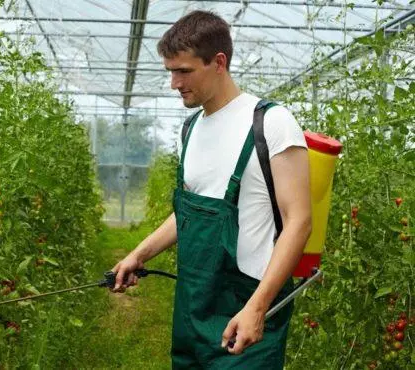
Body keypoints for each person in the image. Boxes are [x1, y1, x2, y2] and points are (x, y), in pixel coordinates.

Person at [110, 10, 312, 369]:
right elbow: (189, 213)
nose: (174, 82)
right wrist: (138, 255)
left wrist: (257, 308)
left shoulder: (270, 123)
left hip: (247, 306)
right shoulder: (191, 129)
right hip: (193, 307)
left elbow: (298, 223)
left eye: (184, 71)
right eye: (170, 71)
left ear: (219, 62)